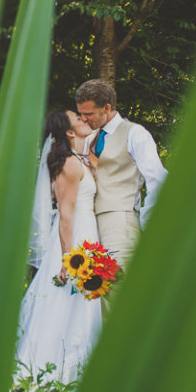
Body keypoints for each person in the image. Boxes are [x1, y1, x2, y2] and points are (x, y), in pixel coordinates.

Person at [15, 110, 102, 384]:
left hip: (88, 236)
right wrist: (69, 260)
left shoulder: (80, 160)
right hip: (73, 242)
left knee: (82, 307)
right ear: (68, 132)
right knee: (62, 305)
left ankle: (79, 377)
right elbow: (65, 214)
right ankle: (50, 378)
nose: (84, 118)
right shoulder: (68, 164)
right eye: (77, 118)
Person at [76, 79, 167, 310]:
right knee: (96, 303)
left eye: (89, 113)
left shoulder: (135, 134)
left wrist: (146, 222)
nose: (84, 119)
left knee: (121, 300)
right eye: (81, 114)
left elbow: (157, 178)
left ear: (107, 108)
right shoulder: (89, 139)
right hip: (90, 226)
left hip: (121, 222)